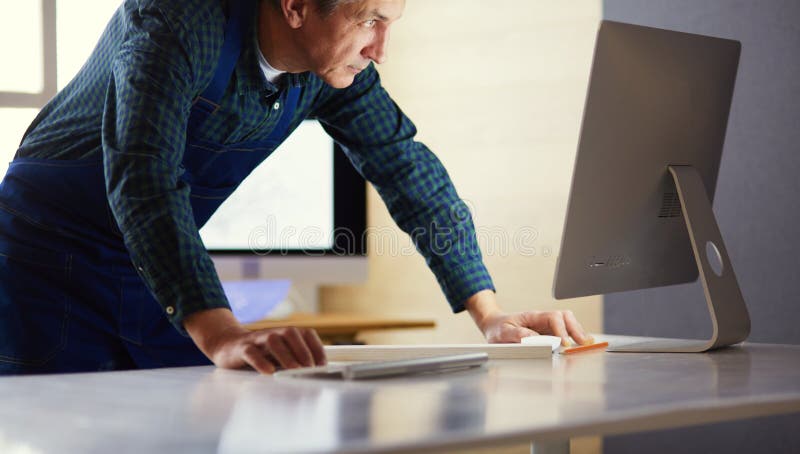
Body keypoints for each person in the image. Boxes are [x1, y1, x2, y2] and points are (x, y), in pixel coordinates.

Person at [0, 0, 592, 376]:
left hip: (147, 275)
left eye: (389, 23)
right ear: (296, 7)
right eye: (369, 21)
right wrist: (225, 333)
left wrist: (488, 316)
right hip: (39, 265)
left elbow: (408, 170)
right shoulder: (173, 21)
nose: (380, 48)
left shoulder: (328, 73)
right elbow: (147, 179)